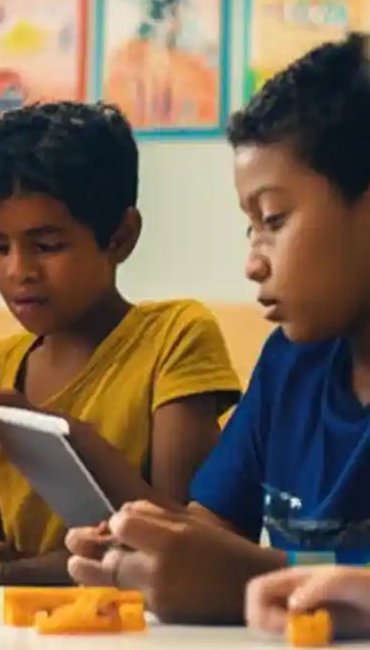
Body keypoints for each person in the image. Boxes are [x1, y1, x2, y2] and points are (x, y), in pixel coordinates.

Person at [66, 32, 370, 624]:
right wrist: (145, 552)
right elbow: (208, 535)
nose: (253, 262)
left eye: (274, 219)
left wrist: (263, 580)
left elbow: (242, 575)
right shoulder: (290, 366)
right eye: (249, 226)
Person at [0, 101, 241, 586]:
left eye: (47, 246)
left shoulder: (176, 337)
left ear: (121, 237)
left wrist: (71, 438)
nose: (19, 270)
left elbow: (183, 540)